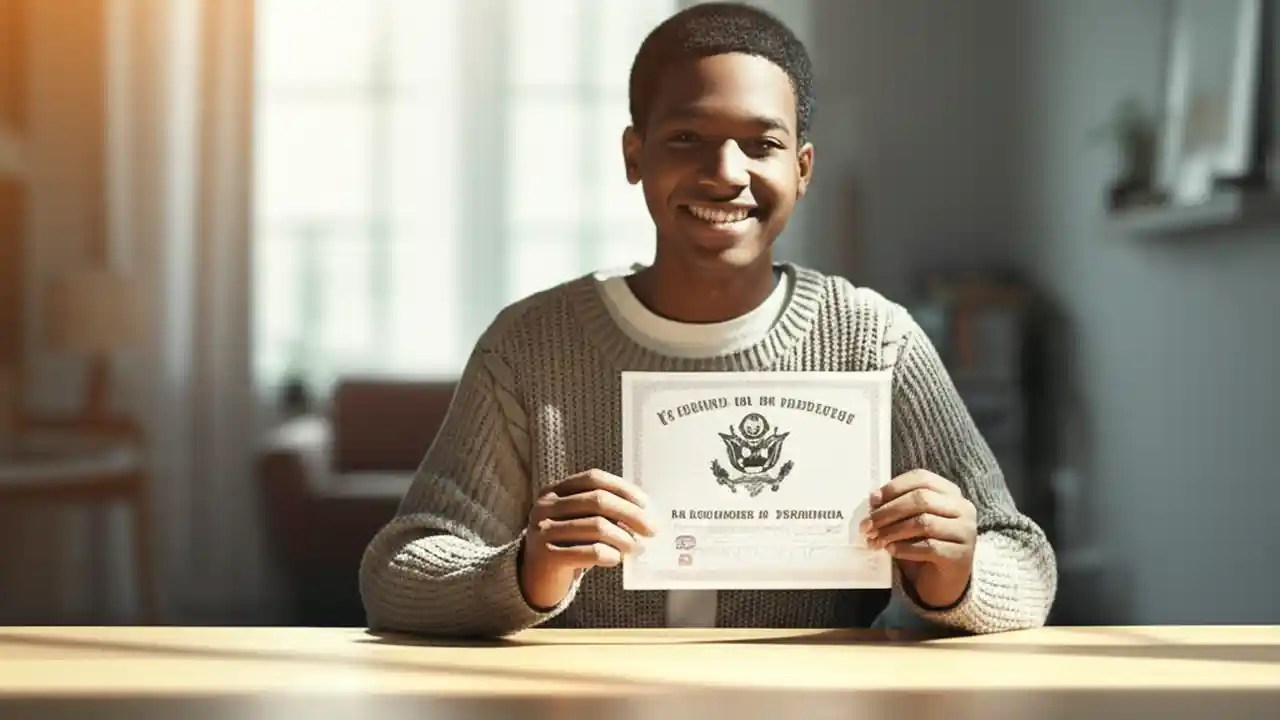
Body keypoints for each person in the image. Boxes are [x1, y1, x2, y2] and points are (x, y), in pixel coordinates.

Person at [359, 2, 1056, 638]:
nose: (725, 172)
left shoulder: (875, 341)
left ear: (803, 168)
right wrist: (527, 570)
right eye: (688, 137)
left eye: (762, 144)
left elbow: (1024, 565)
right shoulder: (529, 347)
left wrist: (956, 572)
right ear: (635, 155)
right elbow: (396, 574)